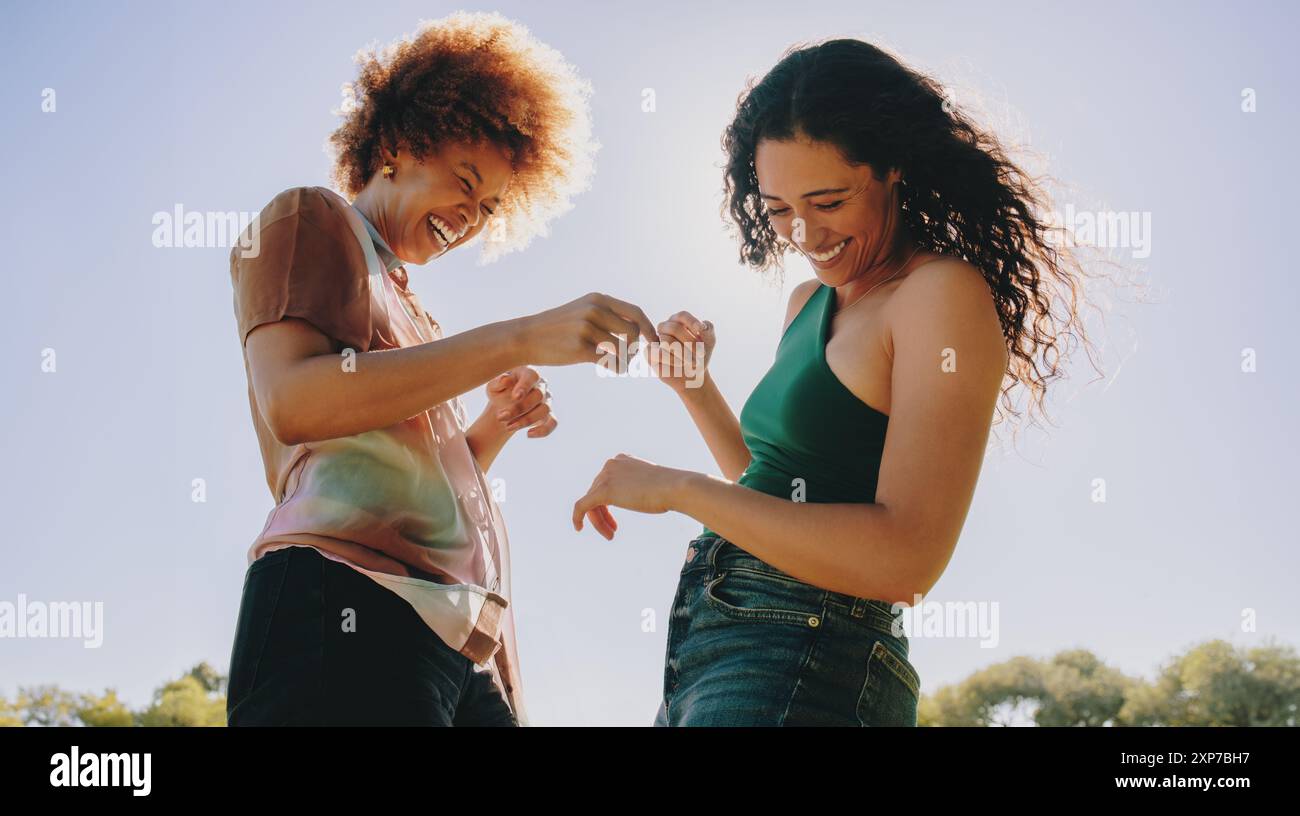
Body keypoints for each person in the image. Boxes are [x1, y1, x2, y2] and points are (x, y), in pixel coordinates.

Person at [572, 38, 1099, 726]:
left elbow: (906, 560)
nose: (804, 233)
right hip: (711, 643)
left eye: (827, 201)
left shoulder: (938, 294)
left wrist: (676, 489)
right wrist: (694, 388)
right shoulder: (807, 303)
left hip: (809, 645)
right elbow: (781, 487)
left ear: (892, 168)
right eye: (777, 209)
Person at [226, 12, 656, 726]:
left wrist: (493, 426)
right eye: (464, 181)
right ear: (398, 145)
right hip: (342, 601)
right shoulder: (308, 218)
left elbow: (401, 472)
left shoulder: (414, 312)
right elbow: (296, 401)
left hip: (455, 642)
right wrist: (517, 337)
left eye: (489, 206)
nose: (472, 215)